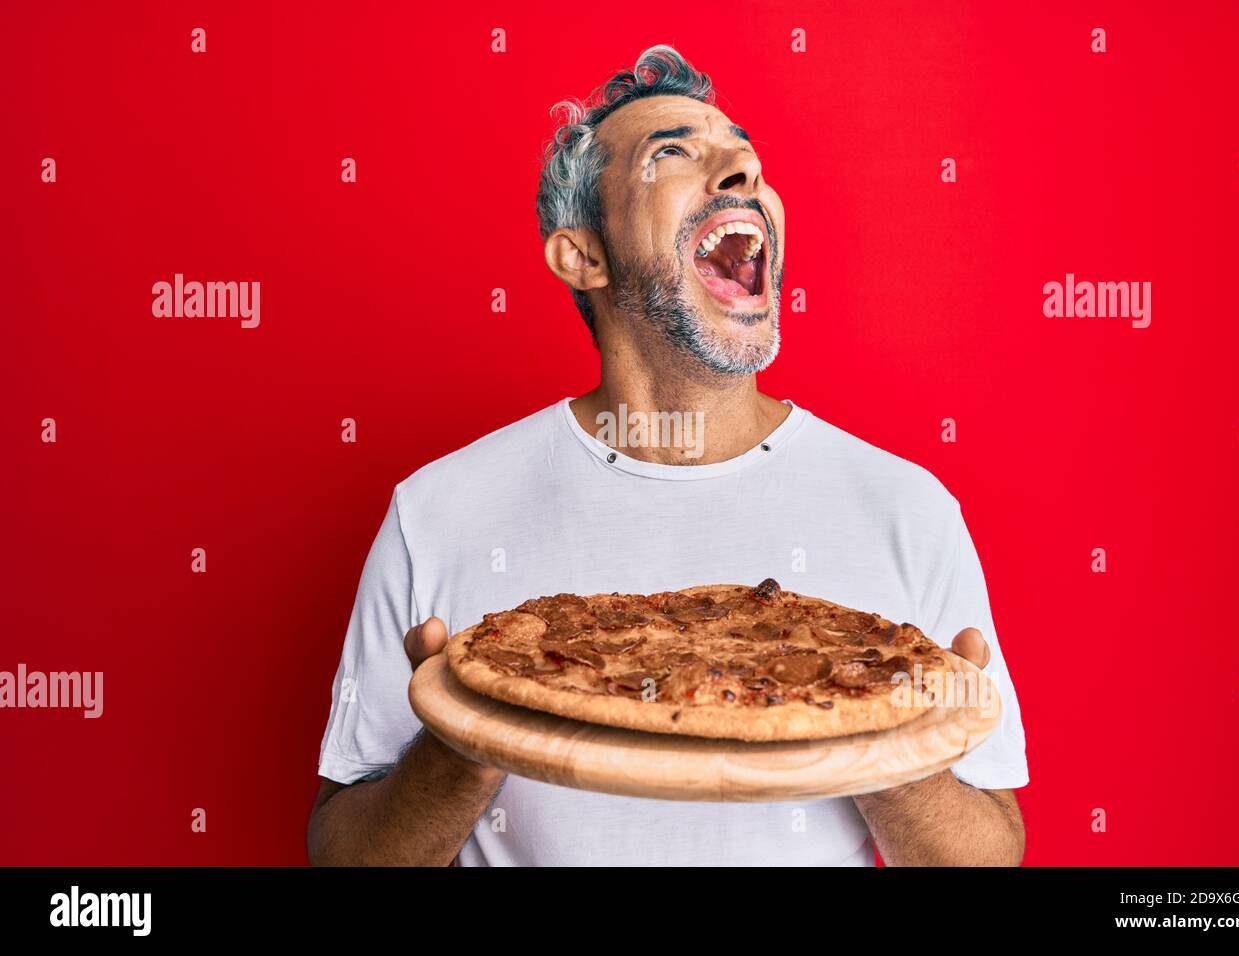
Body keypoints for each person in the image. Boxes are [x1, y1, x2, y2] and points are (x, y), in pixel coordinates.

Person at [307, 45, 1028, 866]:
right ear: (584, 256)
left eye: (744, 153)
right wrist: (466, 729)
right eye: (674, 153)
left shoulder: (909, 509)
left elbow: (987, 858)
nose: (743, 167)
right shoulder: (438, 510)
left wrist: (884, 724)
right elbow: (344, 855)